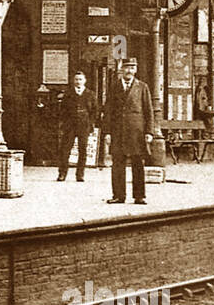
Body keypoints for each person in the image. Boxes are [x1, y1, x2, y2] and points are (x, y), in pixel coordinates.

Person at [102, 57, 156, 205]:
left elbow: (149, 111)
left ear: (136, 70)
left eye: (132, 67)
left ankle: (139, 196)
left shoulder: (142, 87)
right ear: (121, 70)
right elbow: (108, 111)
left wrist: (149, 132)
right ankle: (118, 195)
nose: (129, 71)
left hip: (136, 133)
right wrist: (107, 132)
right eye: (126, 67)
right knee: (117, 164)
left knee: (138, 164)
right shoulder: (114, 87)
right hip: (118, 132)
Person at [57, 69, 99, 182]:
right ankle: (62, 173)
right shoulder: (68, 94)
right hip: (70, 126)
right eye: (76, 79)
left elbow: (95, 111)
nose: (78, 82)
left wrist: (91, 123)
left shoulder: (90, 94)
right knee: (65, 150)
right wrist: (64, 123)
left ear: (84, 81)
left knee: (83, 150)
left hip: (84, 126)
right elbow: (63, 110)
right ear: (73, 81)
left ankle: (80, 174)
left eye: (80, 79)